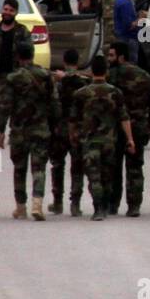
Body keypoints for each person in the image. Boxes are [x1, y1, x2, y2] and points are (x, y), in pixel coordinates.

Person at [0, 40, 59, 221]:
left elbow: (5, 105)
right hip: (40, 128)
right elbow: (54, 104)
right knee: (39, 168)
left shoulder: (13, 78)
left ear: (18, 57)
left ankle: (20, 207)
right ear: (33, 54)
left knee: (19, 169)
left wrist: (0, 130)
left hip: (19, 130)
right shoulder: (45, 75)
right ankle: (37, 204)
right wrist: (55, 126)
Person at [71, 55, 135, 222]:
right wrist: (130, 139)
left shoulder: (81, 94)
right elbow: (124, 118)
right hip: (109, 142)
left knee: (94, 177)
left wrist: (74, 137)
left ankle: (98, 207)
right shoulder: (115, 92)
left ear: (91, 71)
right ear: (106, 72)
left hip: (90, 142)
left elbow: (73, 120)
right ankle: (105, 205)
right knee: (107, 175)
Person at [106, 41, 150, 217]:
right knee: (135, 168)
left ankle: (112, 205)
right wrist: (149, 124)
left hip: (114, 129)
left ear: (121, 57)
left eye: (112, 55)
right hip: (138, 128)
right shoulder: (143, 75)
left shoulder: (110, 75)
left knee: (113, 169)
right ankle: (134, 205)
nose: (109, 59)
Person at [50, 49, 91, 216]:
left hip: (60, 128)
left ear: (64, 61)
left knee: (57, 165)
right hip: (78, 129)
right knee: (77, 167)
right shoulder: (84, 81)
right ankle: (75, 204)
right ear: (78, 60)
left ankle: (57, 202)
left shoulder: (58, 81)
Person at [113, 0, 146, 64]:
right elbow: (129, 26)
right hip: (128, 41)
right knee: (131, 66)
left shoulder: (121, 0)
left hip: (122, 38)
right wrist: (141, 18)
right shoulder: (125, 4)